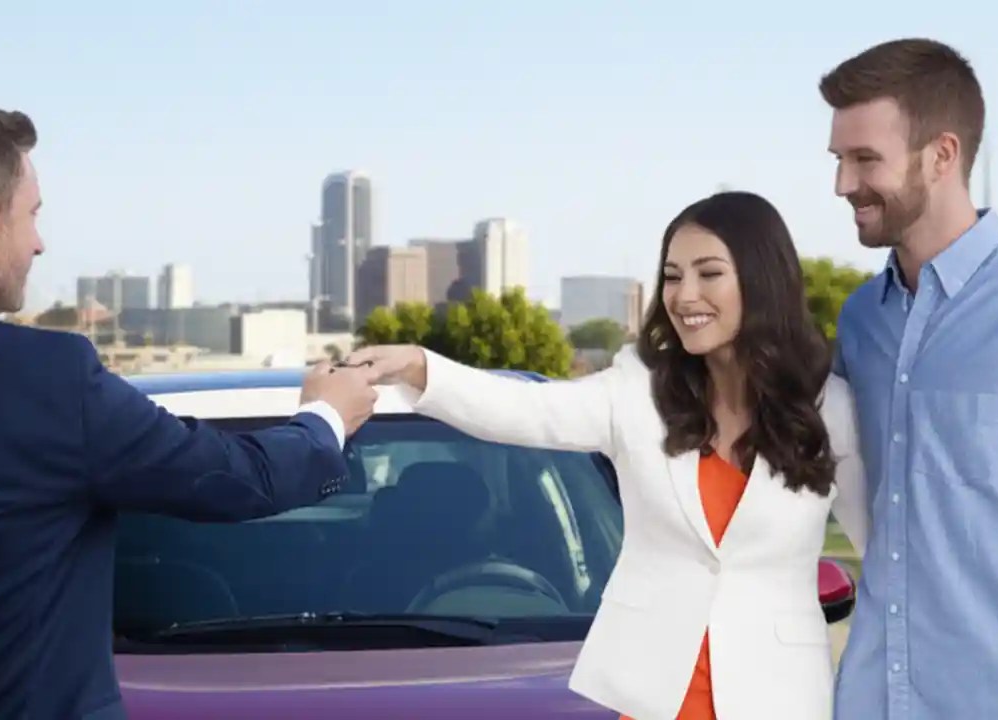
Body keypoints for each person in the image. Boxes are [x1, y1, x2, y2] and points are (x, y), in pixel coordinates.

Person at [0, 97, 377, 720]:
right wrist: (325, 418)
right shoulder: (51, 377)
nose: (39, 243)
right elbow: (235, 477)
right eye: (32, 213)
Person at [348, 190, 870, 720]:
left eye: (709, 273)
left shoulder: (830, 408)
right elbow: (523, 408)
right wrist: (419, 365)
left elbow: (887, 555)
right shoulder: (638, 390)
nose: (684, 295)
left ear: (762, 281)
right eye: (672, 276)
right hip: (655, 701)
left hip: (778, 700)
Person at [821, 39, 998, 719]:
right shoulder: (860, 322)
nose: (842, 184)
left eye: (864, 159)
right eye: (838, 160)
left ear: (942, 155)